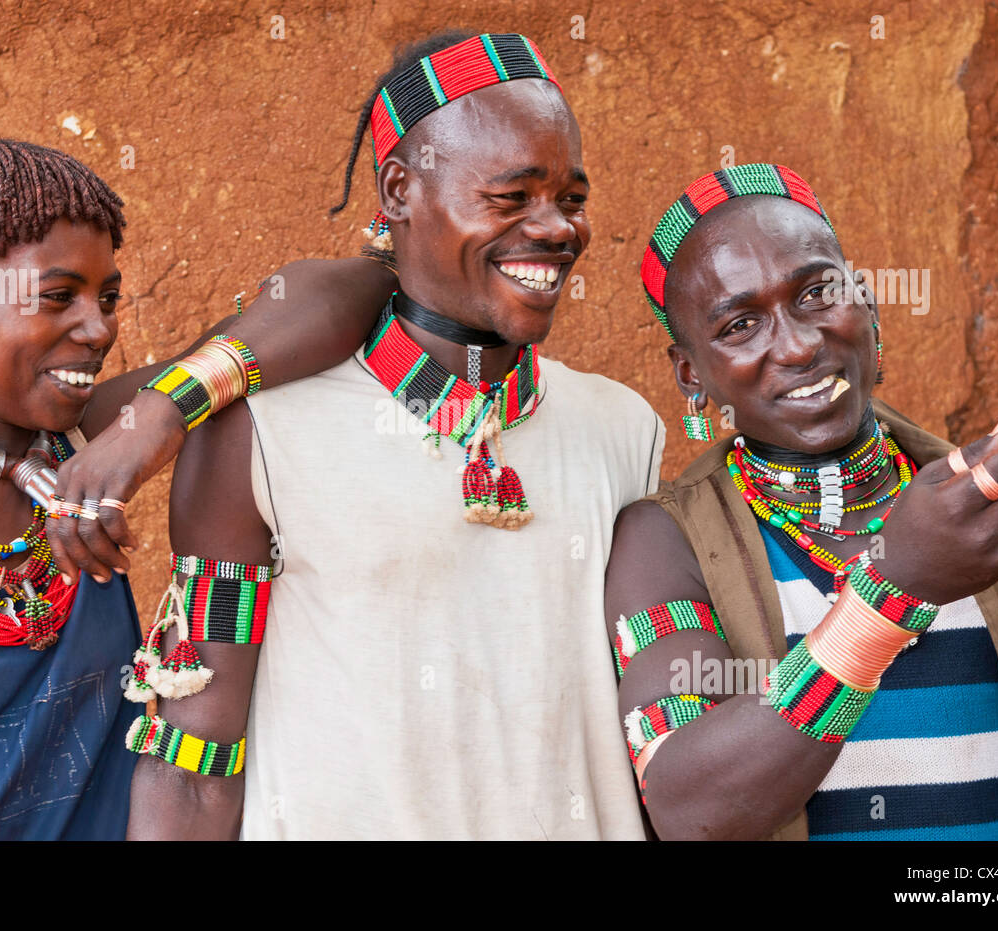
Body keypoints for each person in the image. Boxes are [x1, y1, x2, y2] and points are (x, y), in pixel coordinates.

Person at [124, 31, 666, 840]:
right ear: (399, 189)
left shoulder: (626, 432)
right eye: (512, 198)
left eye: (572, 200)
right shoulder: (263, 431)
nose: (556, 229)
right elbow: (194, 767)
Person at [0, 136, 395, 839]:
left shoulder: (90, 448)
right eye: (58, 297)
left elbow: (354, 291)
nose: (99, 328)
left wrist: (161, 414)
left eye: (107, 298)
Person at [606, 163, 998, 840]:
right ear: (691, 375)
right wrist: (891, 590)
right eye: (740, 325)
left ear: (869, 306)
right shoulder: (664, 541)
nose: (798, 345)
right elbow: (689, 805)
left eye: (818, 292)